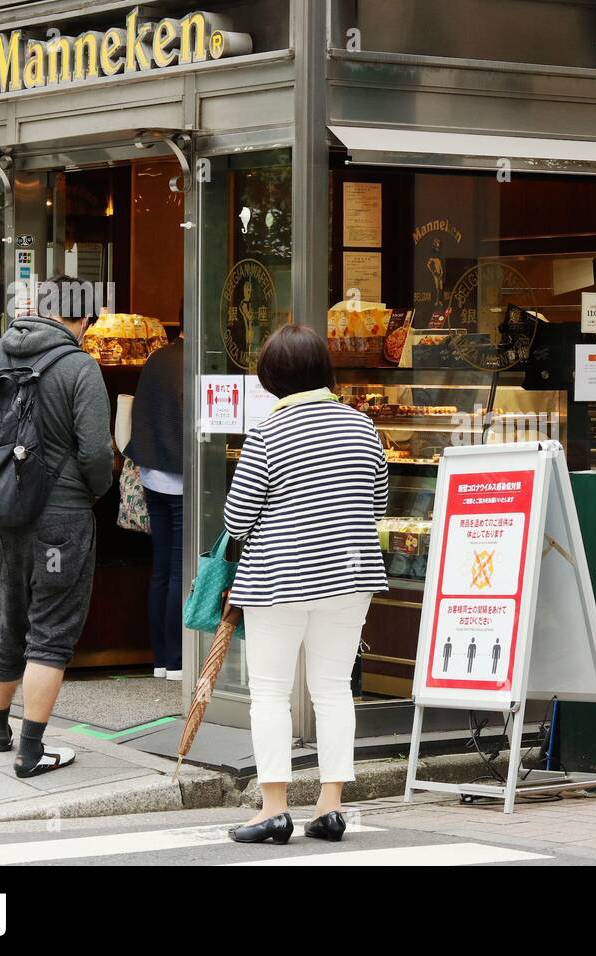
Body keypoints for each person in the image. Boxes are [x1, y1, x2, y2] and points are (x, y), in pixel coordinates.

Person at [224, 325, 388, 845]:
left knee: (270, 692)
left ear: (271, 376)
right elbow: (378, 505)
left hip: (278, 578)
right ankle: (331, 806)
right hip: (351, 574)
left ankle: (273, 808)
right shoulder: (363, 426)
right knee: (334, 689)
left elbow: (238, 515)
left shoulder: (268, 432)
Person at [0, 277, 114, 778]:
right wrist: (91, 491)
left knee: (8, 617)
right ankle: (31, 751)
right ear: (81, 318)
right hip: (61, 520)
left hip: (2, 515)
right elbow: (95, 452)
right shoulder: (79, 367)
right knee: (50, 630)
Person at [125, 334, 185, 680]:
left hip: (151, 474)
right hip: (180, 476)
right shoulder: (193, 361)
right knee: (179, 571)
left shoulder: (158, 358)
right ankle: (177, 660)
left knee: (161, 569)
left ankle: (162, 658)